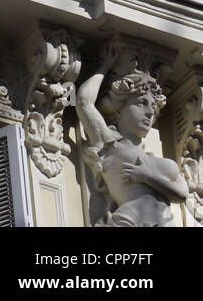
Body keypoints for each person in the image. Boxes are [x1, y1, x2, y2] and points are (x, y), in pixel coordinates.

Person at [76, 49, 188, 227]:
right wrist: (104, 67)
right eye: (141, 103)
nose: (150, 112)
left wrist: (145, 176)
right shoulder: (110, 145)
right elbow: (83, 102)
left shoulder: (152, 159)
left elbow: (182, 194)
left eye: (153, 105)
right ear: (118, 110)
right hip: (131, 222)